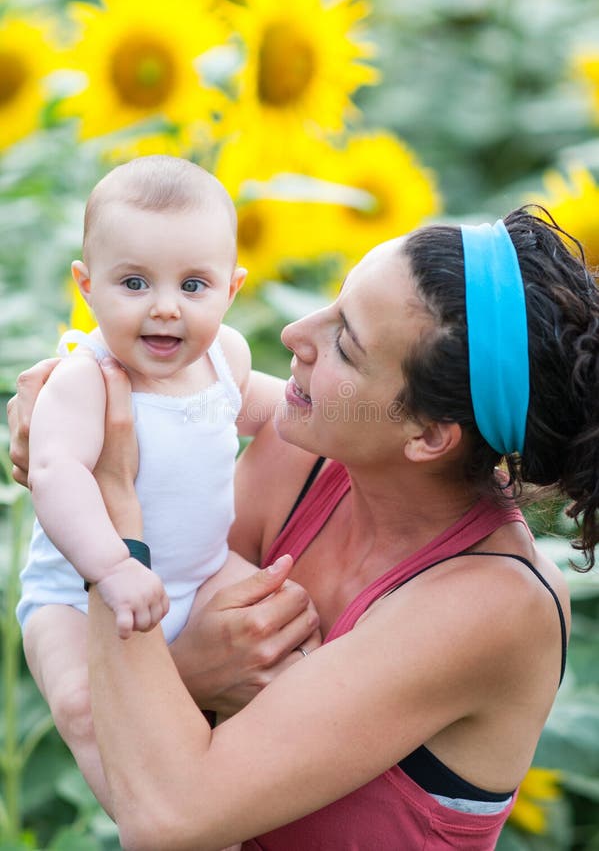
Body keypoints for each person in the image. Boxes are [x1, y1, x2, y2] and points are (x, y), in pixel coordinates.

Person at [11, 206, 598, 849]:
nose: (296, 333)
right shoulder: (305, 453)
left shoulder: (496, 604)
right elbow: (155, 685)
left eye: (345, 343)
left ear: (429, 436)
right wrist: (73, 422)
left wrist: (111, 504)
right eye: (332, 302)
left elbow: (164, 813)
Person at [14, 155, 319, 820]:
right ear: (86, 286)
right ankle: (163, 817)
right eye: (133, 282)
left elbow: (272, 411)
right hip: (79, 595)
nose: (164, 308)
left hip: (203, 573)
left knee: (294, 635)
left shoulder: (223, 357)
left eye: (193, 285)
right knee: (83, 708)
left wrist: (350, 420)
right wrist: (111, 566)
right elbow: (55, 472)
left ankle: (247, 802)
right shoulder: (86, 379)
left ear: (231, 289)